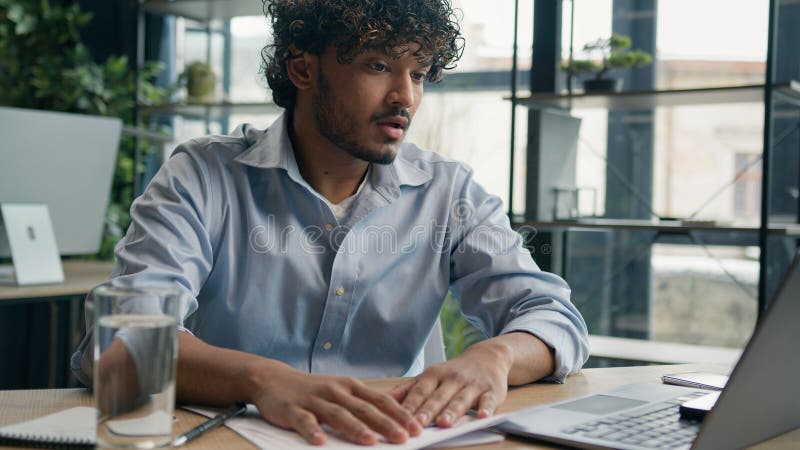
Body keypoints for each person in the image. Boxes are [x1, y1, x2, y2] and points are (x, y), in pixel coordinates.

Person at [72, 0, 589, 445]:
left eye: (420, 72)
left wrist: (495, 357)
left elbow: (552, 317)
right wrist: (259, 379)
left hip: (395, 438)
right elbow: (125, 341)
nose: (405, 97)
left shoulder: (449, 191)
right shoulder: (202, 176)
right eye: (379, 65)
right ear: (303, 69)